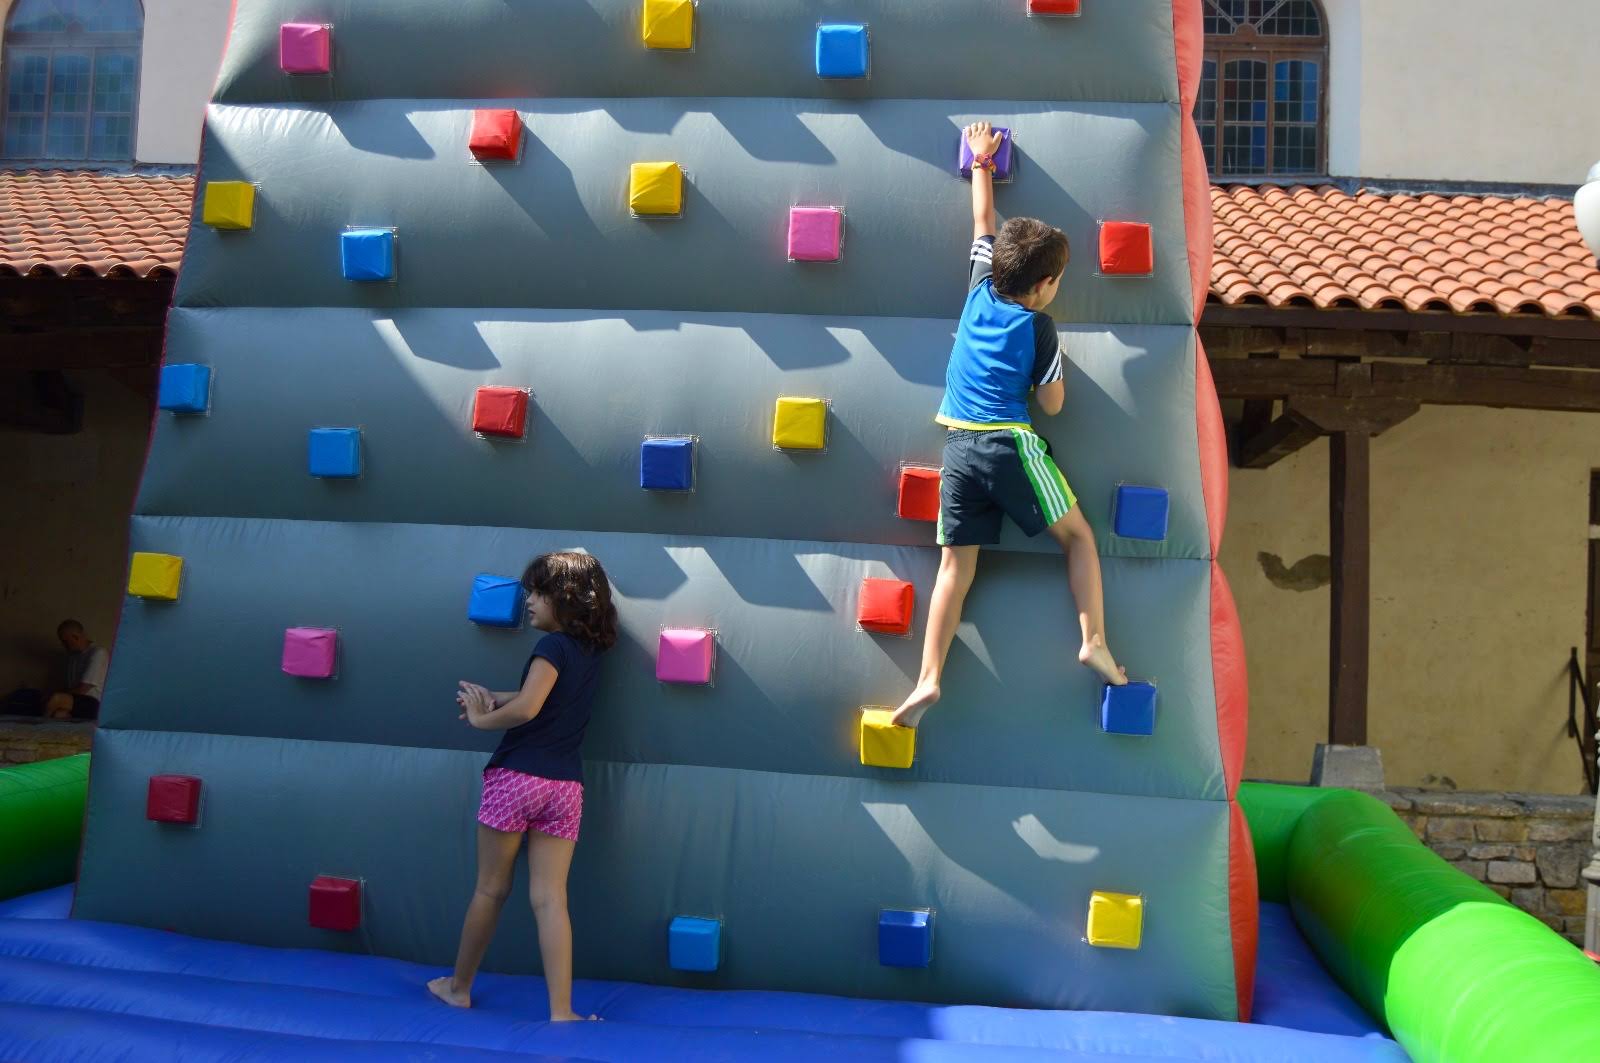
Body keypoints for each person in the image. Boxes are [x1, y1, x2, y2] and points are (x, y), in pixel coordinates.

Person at [891, 121, 1126, 730]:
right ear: (1046, 286)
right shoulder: (1039, 328)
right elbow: (1051, 406)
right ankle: (1094, 639)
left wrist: (981, 161)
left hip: (959, 451)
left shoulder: (977, 287)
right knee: (1078, 538)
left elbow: (983, 222)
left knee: (954, 569)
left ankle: (928, 679)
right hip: (1008, 446)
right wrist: (1053, 369)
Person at [428, 552, 616, 1022]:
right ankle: (562, 1010)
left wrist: (481, 718)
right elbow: (546, 698)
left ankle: (459, 987)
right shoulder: (589, 652)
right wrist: (496, 695)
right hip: (564, 789)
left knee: (491, 889)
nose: (528, 601)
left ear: (565, 598)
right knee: (551, 897)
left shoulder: (550, 647)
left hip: (516, 779)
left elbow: (529, 709)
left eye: (536, 593)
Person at [44, 620, 108, 721]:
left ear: (75, 637)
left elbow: (83, 689)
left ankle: (39, 725)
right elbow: (71, 687)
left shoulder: (98, 653)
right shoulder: (73, 657)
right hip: (76, 702)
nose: (63, 645)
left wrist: (58, 694)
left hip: (94, 703)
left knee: (56, 698)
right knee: (58, 714)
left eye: (65, 641)